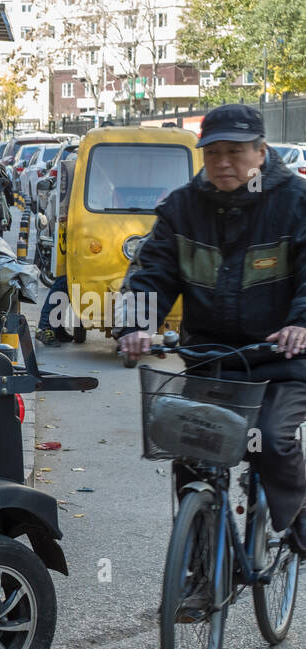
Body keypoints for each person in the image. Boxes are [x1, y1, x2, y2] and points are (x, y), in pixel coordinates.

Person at [118, 104, 306, 549]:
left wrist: (301, 323)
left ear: (261, 152)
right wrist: (135, 326)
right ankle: (199, 567)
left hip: (282, 360)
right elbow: (151, 273)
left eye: (235, 152)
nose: (223, 162)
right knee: (191, 447)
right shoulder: (182, 207)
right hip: (211, 359)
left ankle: (297, 512)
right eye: (213, 152)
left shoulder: (295, 203)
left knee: (273, 441)